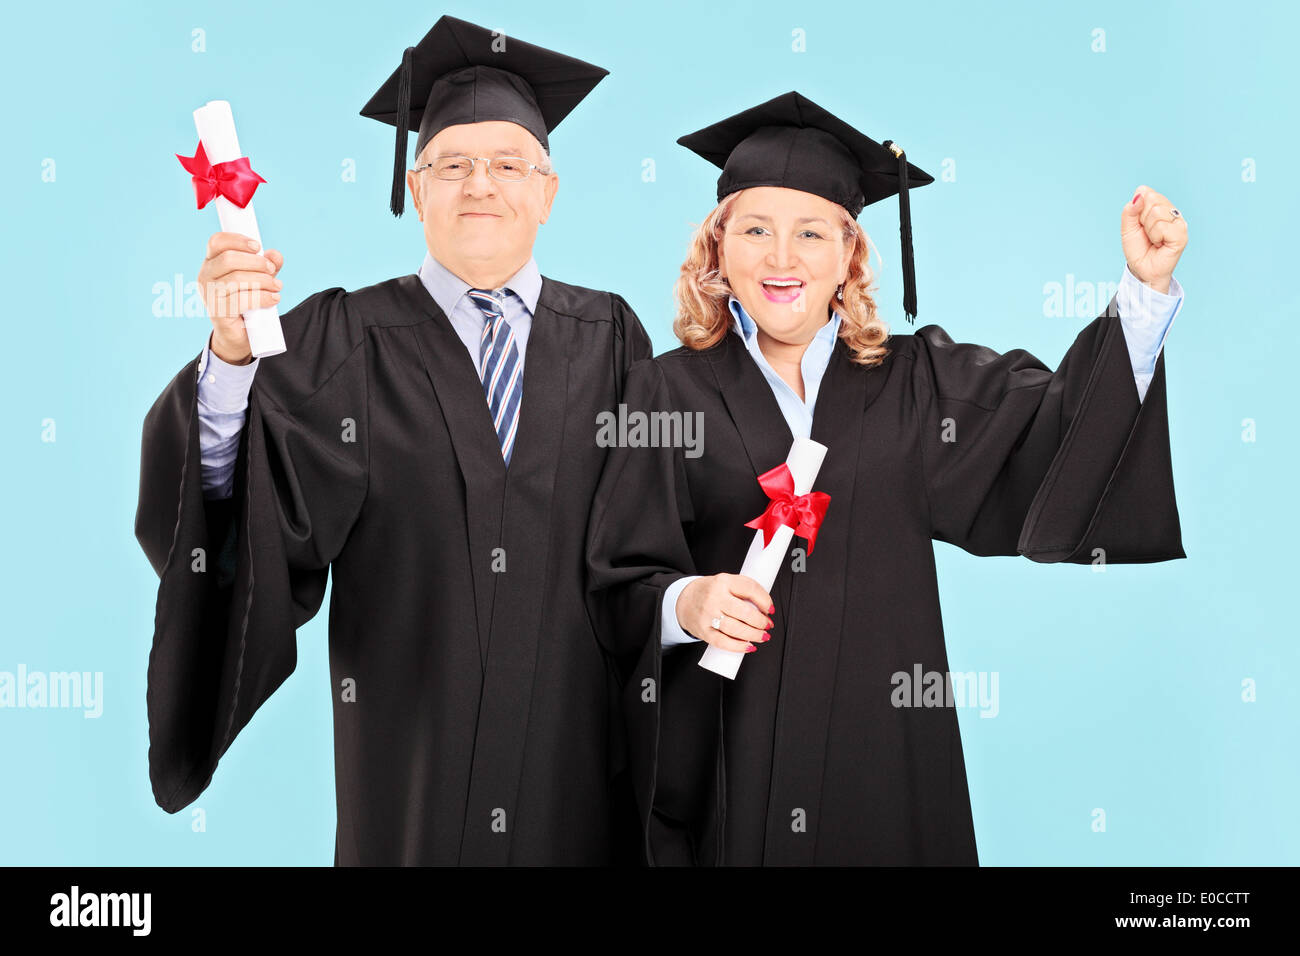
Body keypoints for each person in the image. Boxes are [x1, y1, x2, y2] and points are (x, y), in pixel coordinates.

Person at [585, 91, 1187, 865]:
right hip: (731, 768)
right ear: (716, 249)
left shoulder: (917, 383)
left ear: (850, 254)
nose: (781, 258)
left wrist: (1140, 299)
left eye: (810, 233)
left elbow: (1054, 434)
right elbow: (614, 587)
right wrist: (687, 602)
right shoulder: (662, 393)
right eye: (755, 230)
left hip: (889, 767)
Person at [135, 15, 652, 865]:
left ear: (548, 192)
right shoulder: (340, 339)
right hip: (408, 783)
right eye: (452, 164)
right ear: (417, 190)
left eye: (508, 163)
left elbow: (656, 546)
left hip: (580, 780)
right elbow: (235, 508)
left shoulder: (611, 337)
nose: (480, 183)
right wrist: (229, 359)